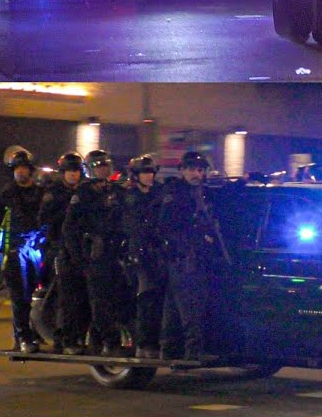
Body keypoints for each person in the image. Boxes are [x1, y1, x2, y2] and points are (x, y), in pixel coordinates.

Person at [159, 151, 221, 361]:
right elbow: (168, 226)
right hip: (183, 258)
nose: (197, 174)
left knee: (179, 306)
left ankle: (170, 349)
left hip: (197, 258)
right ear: (183, 171)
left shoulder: (201, 193)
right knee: (188, 306)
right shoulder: (176, 193)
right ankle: (191, 351)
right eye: (193, 169)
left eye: (201, 170)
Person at [64, 149, 126, 355]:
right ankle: (110, 340)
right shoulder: (83, 193)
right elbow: (70, 228)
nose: (103, 170)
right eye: (99, 166)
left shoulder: (116, 191)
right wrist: (79, 258)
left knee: (116, 298)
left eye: (105, 165)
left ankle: (99, 339)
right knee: (99, 300)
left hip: (116, 252)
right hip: (95, 254)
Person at [0, 147, 44, 352]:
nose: (20, 171)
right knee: (21, 296)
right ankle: (23, 337)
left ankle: (33, 331)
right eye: (17, 168)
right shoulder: (6, 195)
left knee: (40, 292)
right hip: (14, 252)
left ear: (30, 170)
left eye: (24, 168)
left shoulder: (40, 192)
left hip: (36, 249)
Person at [39, 152, 89, 354]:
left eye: (76, 171)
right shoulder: (54, 194)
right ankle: (64, 338)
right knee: (67, 296)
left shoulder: (86, 192)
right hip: (60, 249)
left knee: (85, 296)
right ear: (63, 173)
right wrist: (70, 209)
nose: (74, 175)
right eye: (70, 171)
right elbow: (45, 221)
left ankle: (78, 336)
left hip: (81, 249)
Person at [122, 154, 165, 359]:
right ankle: (144, 343)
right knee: (145, 298)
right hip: (137, 255)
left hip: (156, 255)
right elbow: (132, 228)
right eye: (145, 172)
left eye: (151, 172)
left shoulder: (156, 193)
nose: (149, 176)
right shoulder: (129, 197)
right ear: (135, 175)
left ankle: (158, 340)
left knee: (159, 298)